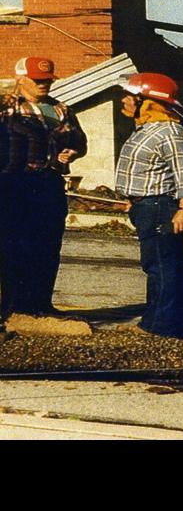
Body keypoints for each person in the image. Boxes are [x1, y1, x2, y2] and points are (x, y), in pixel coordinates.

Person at [113, 72, 183, 337]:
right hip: (146, 206)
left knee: (160, 265)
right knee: (171, 264)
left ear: (148, 101)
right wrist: (132, 200)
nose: (124, 101)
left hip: (160, 206)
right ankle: (180, 324)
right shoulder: (146, 129)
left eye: (130, 96)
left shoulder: (170, 132)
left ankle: (158, 326)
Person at [1, 56, 87, 322]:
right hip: (13, 184)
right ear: (20, 79)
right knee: (13, 244)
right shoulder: (6, 108)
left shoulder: (60, 109)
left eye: (47, 80)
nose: (43, 85)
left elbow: (80, 141)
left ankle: (41, 304)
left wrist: (72, 152)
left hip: (49, 185)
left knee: (48, 245)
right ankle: (13, 307)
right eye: (37, 80)